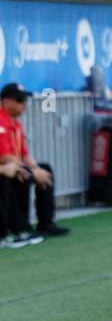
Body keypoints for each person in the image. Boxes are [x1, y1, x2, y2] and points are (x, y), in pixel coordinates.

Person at [0, 83, 69, 241]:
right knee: (21, 174)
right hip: (6, 170)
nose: (24, 103)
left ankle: (46, 223)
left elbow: (24, 154)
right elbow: (4, 157)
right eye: (20, 99)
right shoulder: (1, 122)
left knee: (45, 169)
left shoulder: (16, 124)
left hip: (14, 167)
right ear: (6, 101)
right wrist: (32, 172)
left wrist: (36, 169)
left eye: (25, 100)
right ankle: (19, 228)